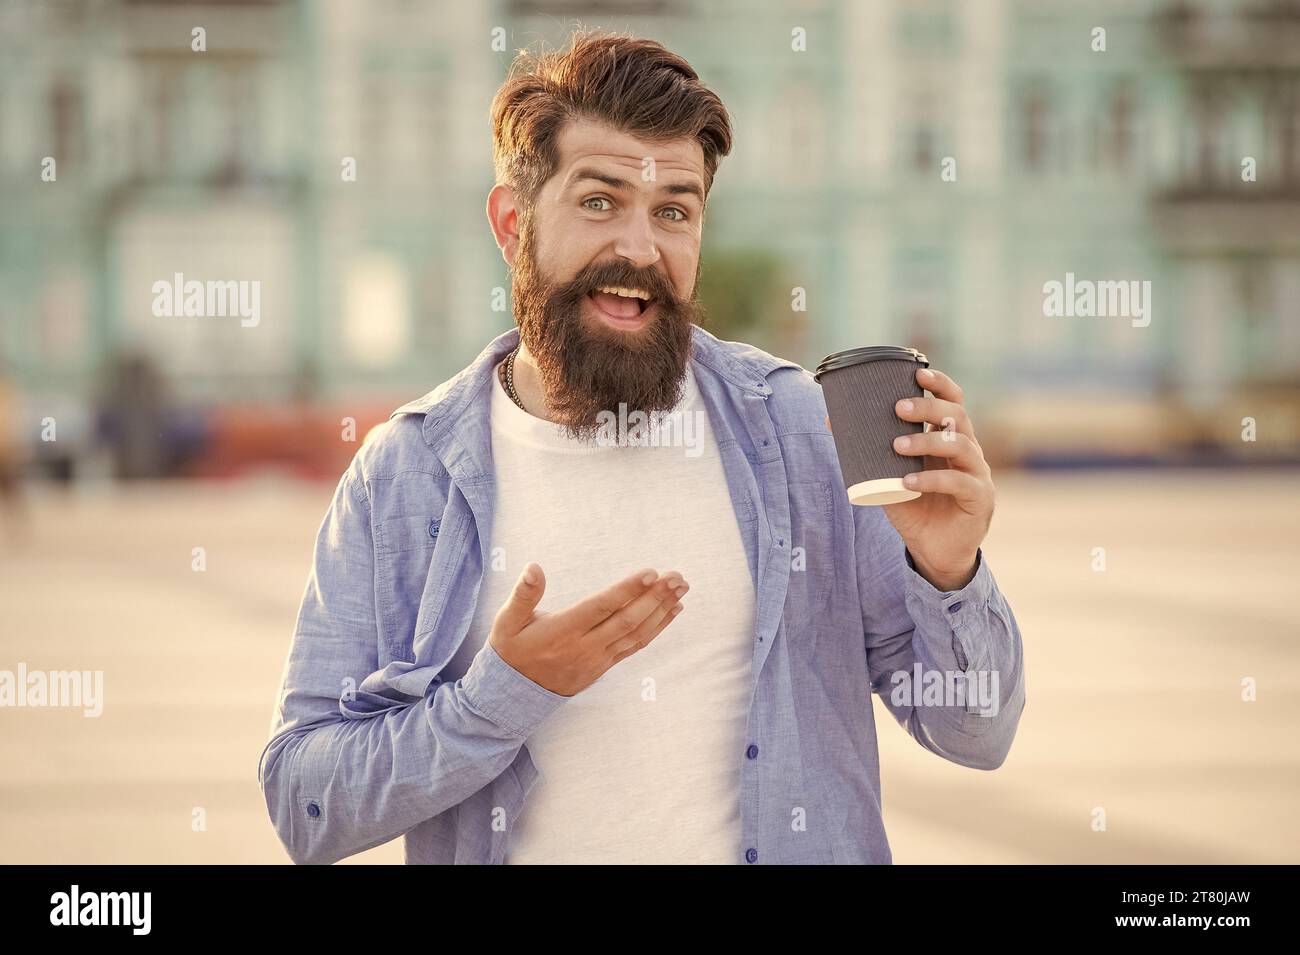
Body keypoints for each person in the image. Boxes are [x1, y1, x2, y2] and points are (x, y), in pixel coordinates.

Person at [258, 29, 1025, 865]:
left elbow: (975, 732)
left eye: (673, 211)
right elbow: (306, 802)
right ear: (514, 224)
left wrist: (950, 573)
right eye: (599, 201)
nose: (638, 247)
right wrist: (496, 699)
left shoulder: (799, 431)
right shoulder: (404, 475)